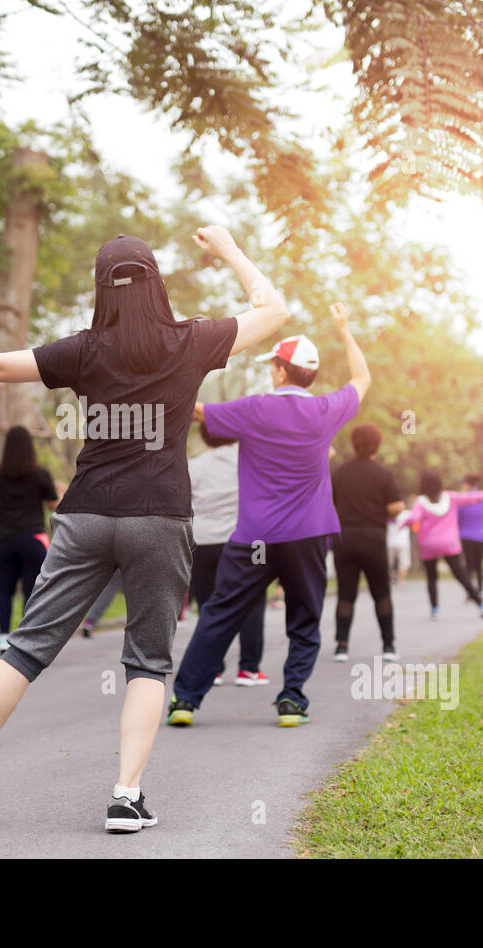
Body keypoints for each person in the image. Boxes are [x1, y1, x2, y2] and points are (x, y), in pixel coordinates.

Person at [0, 226, 288, 833]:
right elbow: (273, 311)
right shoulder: (191, 340)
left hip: (86, 514)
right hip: (159, 518)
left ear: (101, 290)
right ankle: (125, 797)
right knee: (146, 663)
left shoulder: (84, 350)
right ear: (157, 284)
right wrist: (227, 250)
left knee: (29, 646)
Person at [170, 312, 370, 730]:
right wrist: (346, 332)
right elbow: (362, 379)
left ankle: (186, 700)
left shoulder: (254, 409)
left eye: (273, 367)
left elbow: (195, 412)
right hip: (309, 535)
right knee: (305, 617)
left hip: (254, 539)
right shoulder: (327, 409)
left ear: (280, 371)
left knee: (220, 614)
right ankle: (292, 701)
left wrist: (154, 381)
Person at [189, 420, 268, 686]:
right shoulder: (249, 462)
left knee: (208, 604)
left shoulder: (194, 466)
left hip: (202, 542)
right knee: (253, 601)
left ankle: (214, 668)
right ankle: (249, 669)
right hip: (243, 542)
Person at [330, 422, 404, 662]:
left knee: (345, 594)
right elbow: (395, 508)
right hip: (373, 541)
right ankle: (388, 646)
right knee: (381, 593)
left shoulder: (339, 473)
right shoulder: (383, 474)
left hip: (344, 540)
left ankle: (341, 646)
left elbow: (328, 503)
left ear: (354, 444)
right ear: (377, 444)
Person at [0, 425, 63, 652]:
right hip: (32, 538)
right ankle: (23, 639)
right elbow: (54, 505)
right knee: (31, 590)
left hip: (4, 539)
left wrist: (2, 524)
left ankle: (3, 637)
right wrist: (61, 491)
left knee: (4, 589)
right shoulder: (40, 474)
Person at [403, 469, 483, 620]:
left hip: (429, 545)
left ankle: (434, 610)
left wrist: (401, 524)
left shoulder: (420, 502)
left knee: (431, 577)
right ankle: (482, 606)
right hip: (449, 544)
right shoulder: (451, 498)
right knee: (461, 575)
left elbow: (413, 518)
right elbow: (473, 498)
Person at [457, 473, 483, 596]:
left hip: (467, 536)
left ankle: (470, 592)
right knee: (479, 565)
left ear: (467, 485)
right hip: (482, 536)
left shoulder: (462, 501)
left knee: (469, 566)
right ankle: (480, 591)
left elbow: (458, 519)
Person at [387, 500, 414, 587]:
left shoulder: (388, 514)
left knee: (389, 562)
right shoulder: (406, 514)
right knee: (404, 562)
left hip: (390, 542)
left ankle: (392, 579)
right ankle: (401, 581)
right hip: (403, 542)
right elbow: (415, 521)